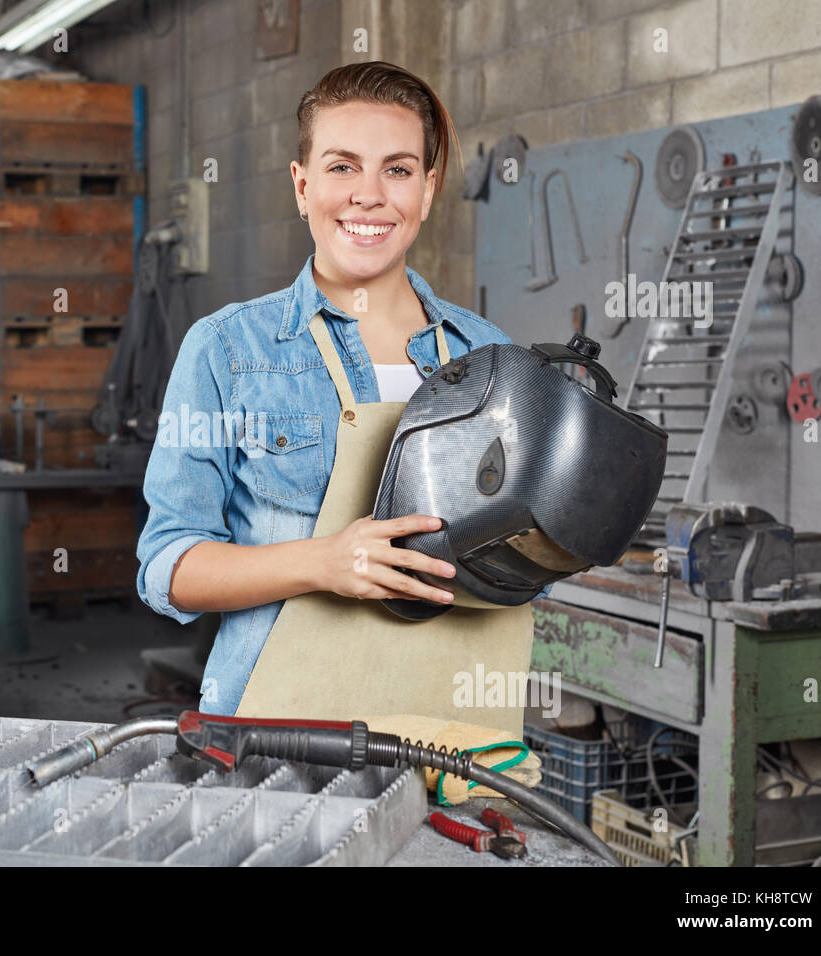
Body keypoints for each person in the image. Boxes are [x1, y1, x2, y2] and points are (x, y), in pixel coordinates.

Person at [136, 62, 541, 724]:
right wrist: (322, 563)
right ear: (302, 186)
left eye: (398, 170)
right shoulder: (229, 351)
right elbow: (168, 569)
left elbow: (525, 552)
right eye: (342, 167)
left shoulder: (489, 356)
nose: (370, 195)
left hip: (451, 732)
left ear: (429, 189)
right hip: (280, 733)